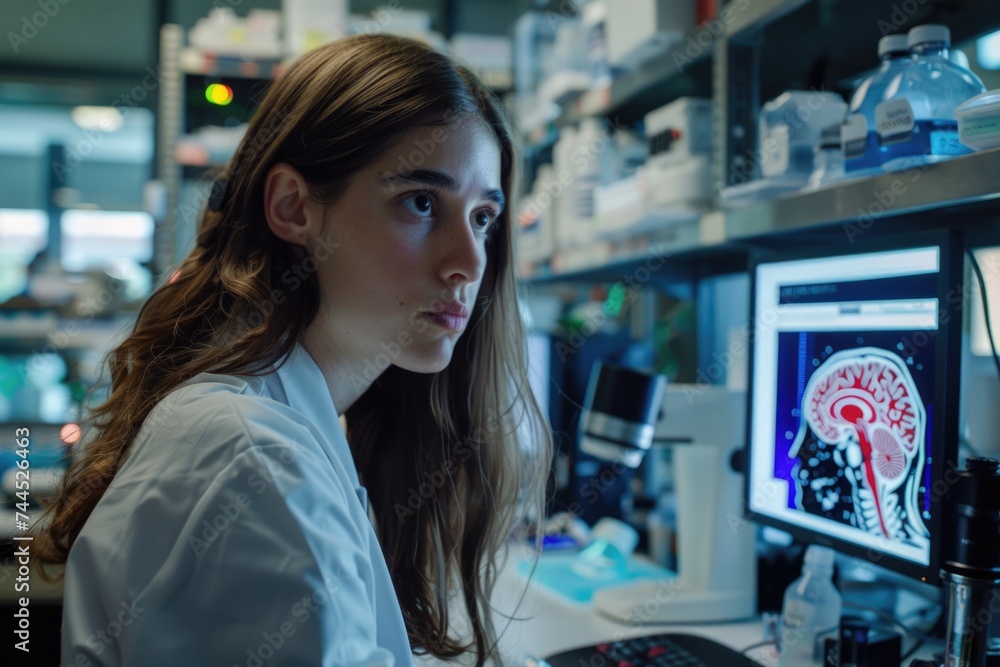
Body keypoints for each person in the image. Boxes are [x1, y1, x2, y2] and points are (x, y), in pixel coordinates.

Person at [34, 33, 552, 667]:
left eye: (482, 218)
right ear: (293, 208)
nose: (469, 263)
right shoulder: (256, 456)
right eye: (421, 203)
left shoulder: (281, 421)